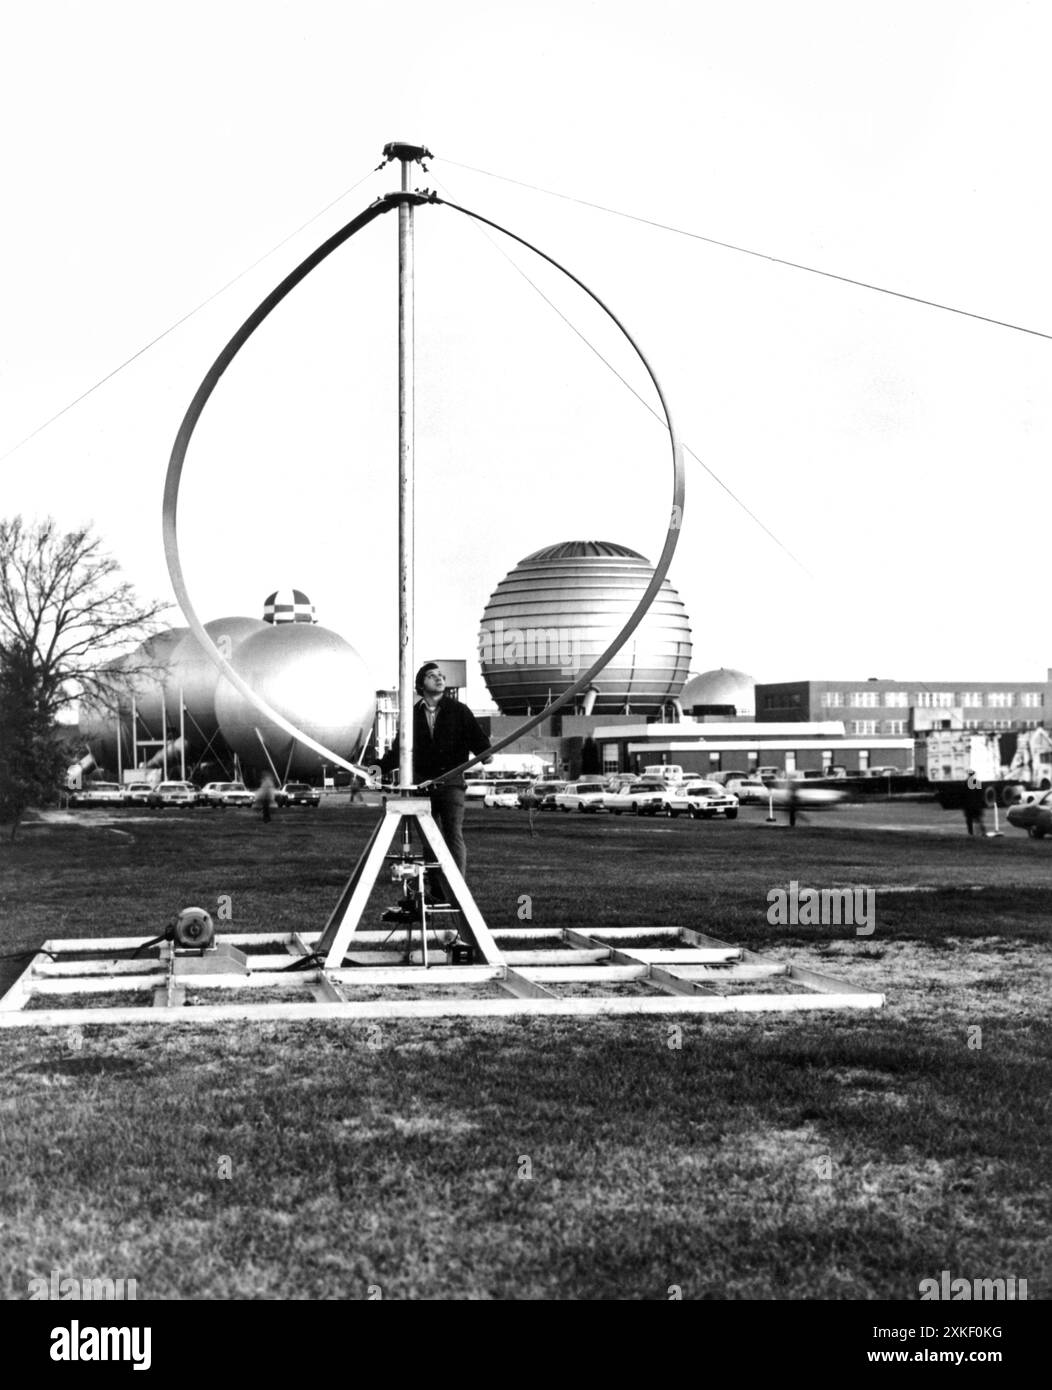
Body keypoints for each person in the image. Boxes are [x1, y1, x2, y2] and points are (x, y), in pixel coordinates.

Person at [381, 662, 491, 888]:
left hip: (451, 783)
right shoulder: (411, 715)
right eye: (432, 676)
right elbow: (397, 752)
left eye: (441, 675)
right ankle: (437, 887)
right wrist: (374, 769)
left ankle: (456, 887)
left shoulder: (459, 711)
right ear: (421, 685)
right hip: (422, 785)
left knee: (453, 836)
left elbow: (479, 742)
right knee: (429, 840)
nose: (439, 679)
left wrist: (485, 754)